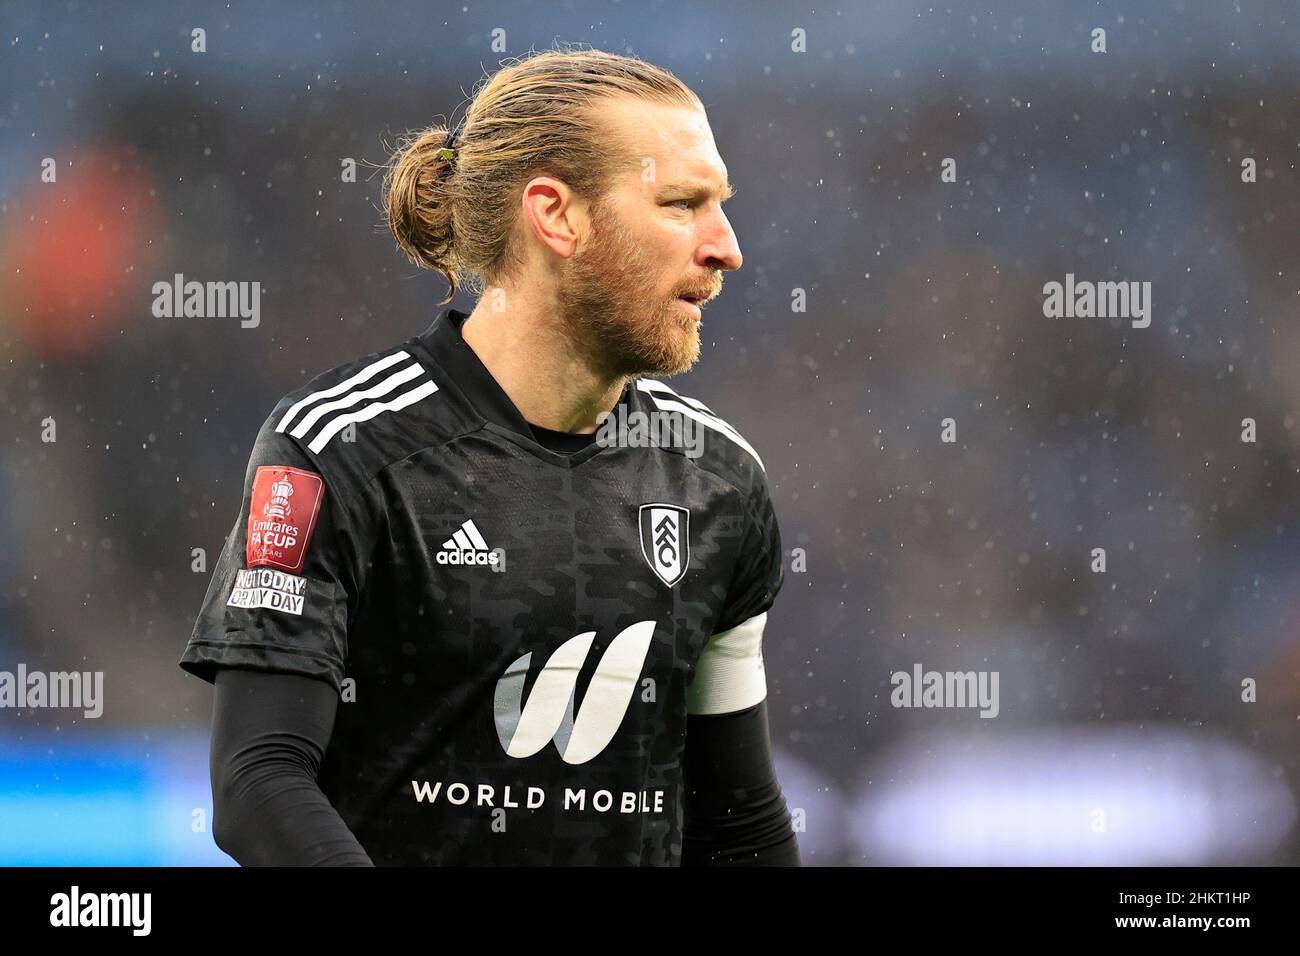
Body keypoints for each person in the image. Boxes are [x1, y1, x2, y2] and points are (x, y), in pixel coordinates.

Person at [179, 46, 799, 866]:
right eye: (682, 204)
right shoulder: (341, 450)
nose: (726, 248)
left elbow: (740, 824)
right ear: (557, 215)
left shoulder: (719, 480)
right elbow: (260, 783)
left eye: (719, 205)